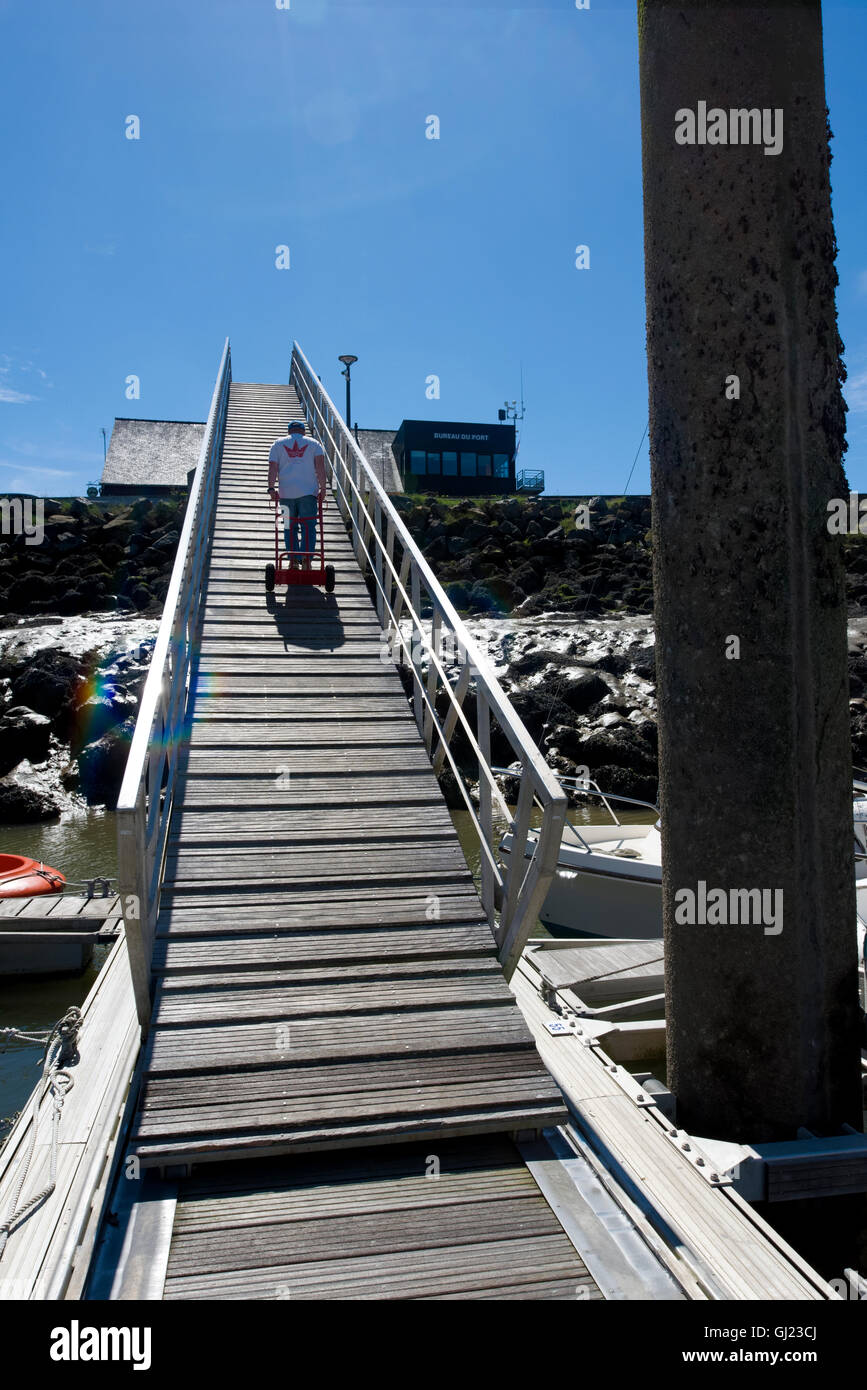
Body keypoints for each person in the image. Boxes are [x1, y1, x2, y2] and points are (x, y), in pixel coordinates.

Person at [267, 420, 327, 565]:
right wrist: (323, 488)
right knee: (308, 526)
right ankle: (306, 559)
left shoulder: (277, 444)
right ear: (303, 431)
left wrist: (271, 488)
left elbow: (273, 467)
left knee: (289, 527)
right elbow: (320, 467)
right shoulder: (314, 444)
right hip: (308, 493)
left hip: (285, 494)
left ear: (289, 431)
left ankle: (293, 560)